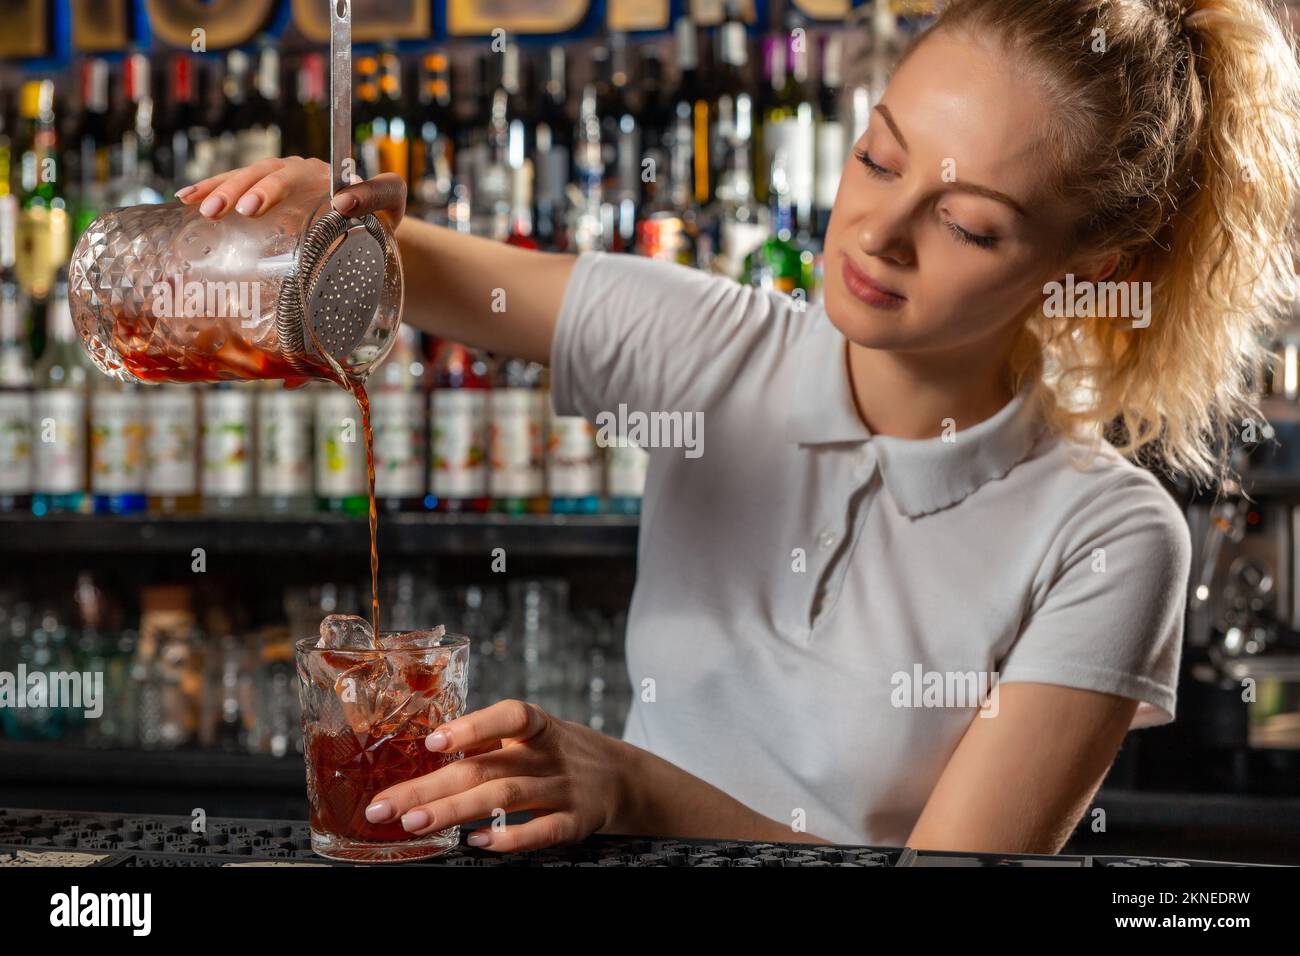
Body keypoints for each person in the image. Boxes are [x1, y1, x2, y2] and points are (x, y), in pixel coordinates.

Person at [177, 0, 1300, 854]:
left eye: (964, 222)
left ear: (1085, 270)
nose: (879, 232)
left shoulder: (1105, 536)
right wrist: (321, 218)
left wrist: (638, 788)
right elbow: (408, 266)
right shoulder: (711, 345)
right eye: (877, 155)